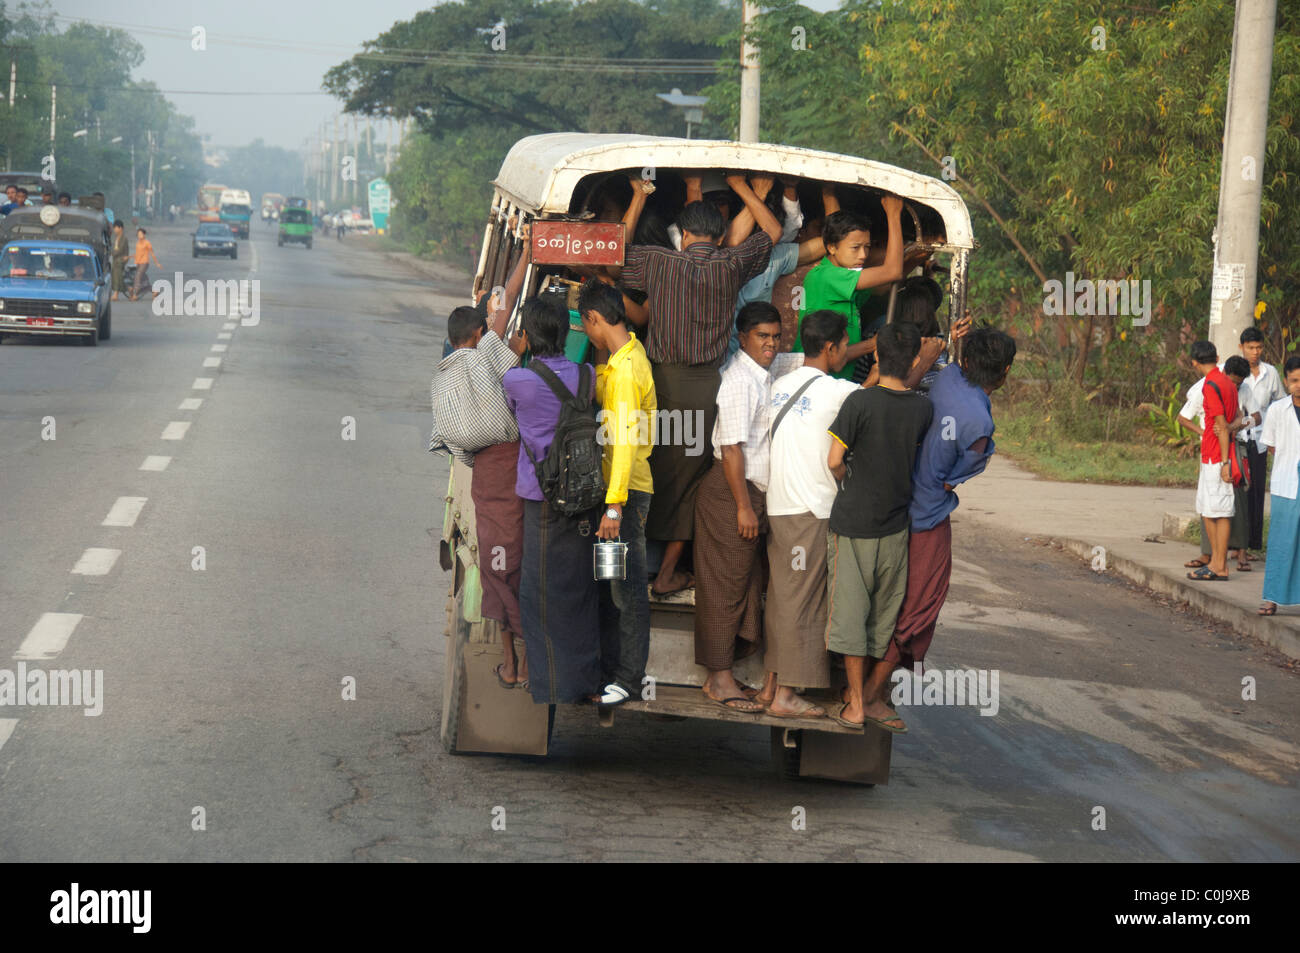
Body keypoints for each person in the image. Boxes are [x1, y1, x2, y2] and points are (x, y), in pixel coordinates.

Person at [617, 173, 781, 597]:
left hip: (659, 386)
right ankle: (668, 570)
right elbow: (774, 231)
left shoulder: (658, 260)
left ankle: (625, 567)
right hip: (707, 389)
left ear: (684, 233)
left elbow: (616, 249)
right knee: (691, 481)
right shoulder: (731, 265)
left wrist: (638, 197)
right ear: (721, 234)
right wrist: (745, 188)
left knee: (644, 468)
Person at [866, 326, 1018, 730]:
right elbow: (952, 478)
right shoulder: (979, 428)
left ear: (966, 361)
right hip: (927, 517)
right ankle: (871, 695)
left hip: (891, 502)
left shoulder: (947, 375)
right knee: (917, 610)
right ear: (1004, 374)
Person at [693, 302, 803, 711]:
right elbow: (731, 447)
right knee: (724, 587)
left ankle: (725, 672)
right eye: (763, 337)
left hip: (748, 492)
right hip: (730, 493)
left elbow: (802, 358)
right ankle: (718, 680)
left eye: (775, 336)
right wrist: (743, 507)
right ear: (743, 338)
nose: (771, 344)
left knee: (742, 584)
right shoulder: (739, 380)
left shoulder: (763, 372)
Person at [826, 322, 933, 731]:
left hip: (852, 523)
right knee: (881, 617)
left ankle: (853, 703)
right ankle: (872, 698)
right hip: (896, 526)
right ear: (912, 362)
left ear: (875, 356)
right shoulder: (923, 408)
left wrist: (848, 483)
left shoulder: (860, 402)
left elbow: (834, 460)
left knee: (850, 614)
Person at [430, 253, 529, 687]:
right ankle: (528, 658)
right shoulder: (489, 348)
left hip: (485, 474)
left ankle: (511, 661)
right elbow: (503, 305)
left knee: (495, 566)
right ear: (477, 334)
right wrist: (528, 253)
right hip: (512, 465)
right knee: (518, 562)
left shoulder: (444, 373)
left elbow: (453, 441)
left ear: (452, 341)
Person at [758, 309, 862, 718]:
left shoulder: (780, 384)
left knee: (783, 596)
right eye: (845, 345)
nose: (846, 353)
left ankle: (770, 685)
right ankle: (785, 694)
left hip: (780, 506)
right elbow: (866, 403)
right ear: (832, 347)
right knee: (803, 600)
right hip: (811, 510)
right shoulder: (839, 391)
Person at [502, 295, 602, 704]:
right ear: (566, 332)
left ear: (525, 335)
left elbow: (513, 415)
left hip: (540, 501)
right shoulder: (587, 375)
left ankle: (546, 684)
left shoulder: (517, 381)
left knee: (538, 594)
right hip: (583, 498)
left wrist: (516, 352)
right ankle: (583, 681)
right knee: (577, 590)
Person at [578, 279, 658, 706]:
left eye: (585, 325)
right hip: (620, 495)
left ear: (592, 319)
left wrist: (613, 507)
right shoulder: (629, 355)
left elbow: (625, 443)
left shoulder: (626, 371)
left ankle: (628, 679)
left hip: (623, 499)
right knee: (612, 584)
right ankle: (612, 672)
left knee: (626, 591)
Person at [791, 197, 907, 380]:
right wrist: (893, 214)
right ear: (831, 247)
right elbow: (893, 271)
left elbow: (883, 285)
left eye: (867, 247)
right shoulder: (828, 276)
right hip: (823, 382)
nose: (863, 255)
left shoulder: (843, 277)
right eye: (855, 248)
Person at [1187, 340, 1238, 582]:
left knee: (1217, 510)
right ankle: (1217, 564)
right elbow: (1235, 418)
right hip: (1215, 452)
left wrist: (1225, 463)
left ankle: (1219, 565)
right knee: (1212, 509)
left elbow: (1220, 425)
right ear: (1216, 358)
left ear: (1194, 362)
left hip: (1216, 455)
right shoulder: (1228, 381)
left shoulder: (1211, 385)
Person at [1238, 327, 1286, 555]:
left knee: (1257, 490)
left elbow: (1280, 404)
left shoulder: (1271, 373)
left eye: (1258, 347)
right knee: (1239, 491)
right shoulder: (1236, 371)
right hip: (1238, 438)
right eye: (1250, 348)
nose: (1255, 352)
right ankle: (1237, 543)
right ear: (1242, 348)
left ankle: (1254, 542)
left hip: (1262, 440)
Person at [1259, 356, 1300, 615]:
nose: (1299, 385)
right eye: (1294, 380)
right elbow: (1271, 445)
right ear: (1285, 382)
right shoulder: (1277, 410)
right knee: (1281, 541)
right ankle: (1271, 598)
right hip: (1287, 481)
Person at [129, 228, 160, 301]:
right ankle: (154, 291)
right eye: (138, 234)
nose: (140, 235)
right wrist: (129, 257)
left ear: (144, 234)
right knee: (143, 280)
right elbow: (137, 254)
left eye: (141, 234)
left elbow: (152, 253)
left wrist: (157, 263)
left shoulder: (147, 243)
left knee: (138, 276)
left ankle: (135, 295)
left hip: (145, 263)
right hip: (138, 263)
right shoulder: (137, 243)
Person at [110, 221, 129, 302]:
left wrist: (111, 253)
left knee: (117, 274)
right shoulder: (116, 237)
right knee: (115, 275)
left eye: (115, 228)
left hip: (121, 258)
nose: (114, 230)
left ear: (120, 228)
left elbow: (120, 250)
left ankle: (116, 294)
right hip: (116, 259)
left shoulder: (124, 238)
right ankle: (129, 289)